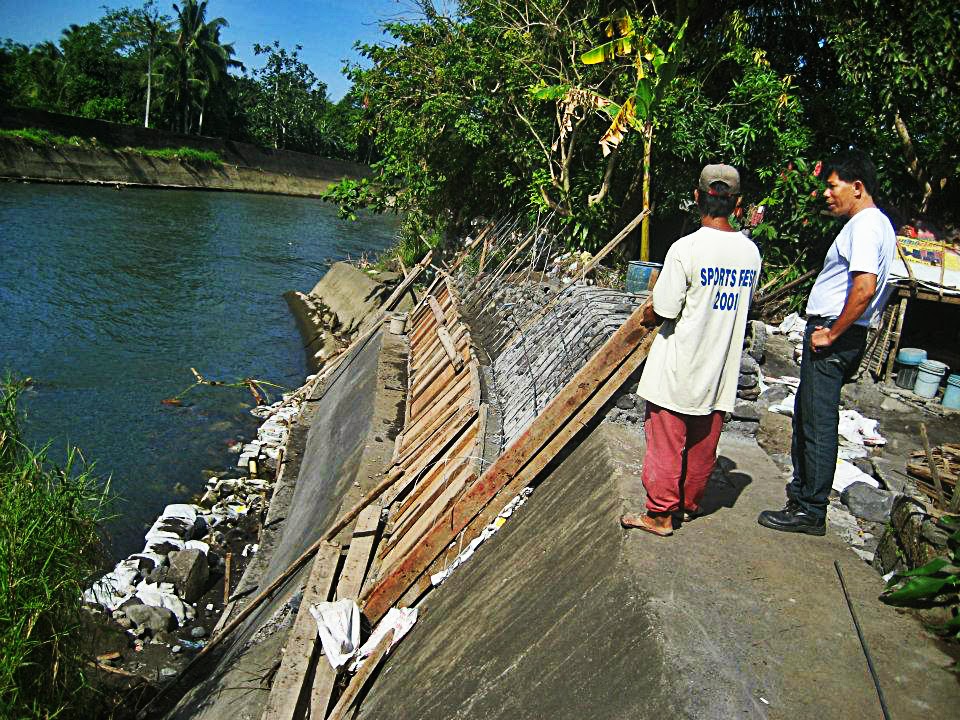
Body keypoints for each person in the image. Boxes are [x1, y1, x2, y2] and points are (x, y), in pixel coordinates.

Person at [758, 150, 896, 535]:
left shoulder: (866, 226)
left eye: (832, 186)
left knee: (817, 421)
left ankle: (810, 510)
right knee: (808, 413)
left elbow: (864, 287)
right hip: (837, 332)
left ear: (857, 187)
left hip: (835, 334)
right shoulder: (875, 224)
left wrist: (832, 332)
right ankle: (803, 496)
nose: (826, 194)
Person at [621, 164, 762, 537]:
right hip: (720, 367)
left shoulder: (686, 248)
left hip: (681, 362)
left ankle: (661, 515)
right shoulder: (750, 253)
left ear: (697, 197)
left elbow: (665, 307)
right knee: (703, 442)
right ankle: (689, 502)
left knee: (666, 442)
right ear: (738, 204)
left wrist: (647, 311)